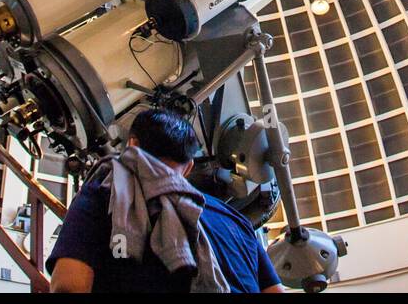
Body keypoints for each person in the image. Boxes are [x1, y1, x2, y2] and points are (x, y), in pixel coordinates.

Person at [48, 108, 284, 293]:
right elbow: (274, 291)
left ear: (132, 145)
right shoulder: (237, 221)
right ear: (189, 166)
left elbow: (69, 285)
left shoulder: (108, 191)